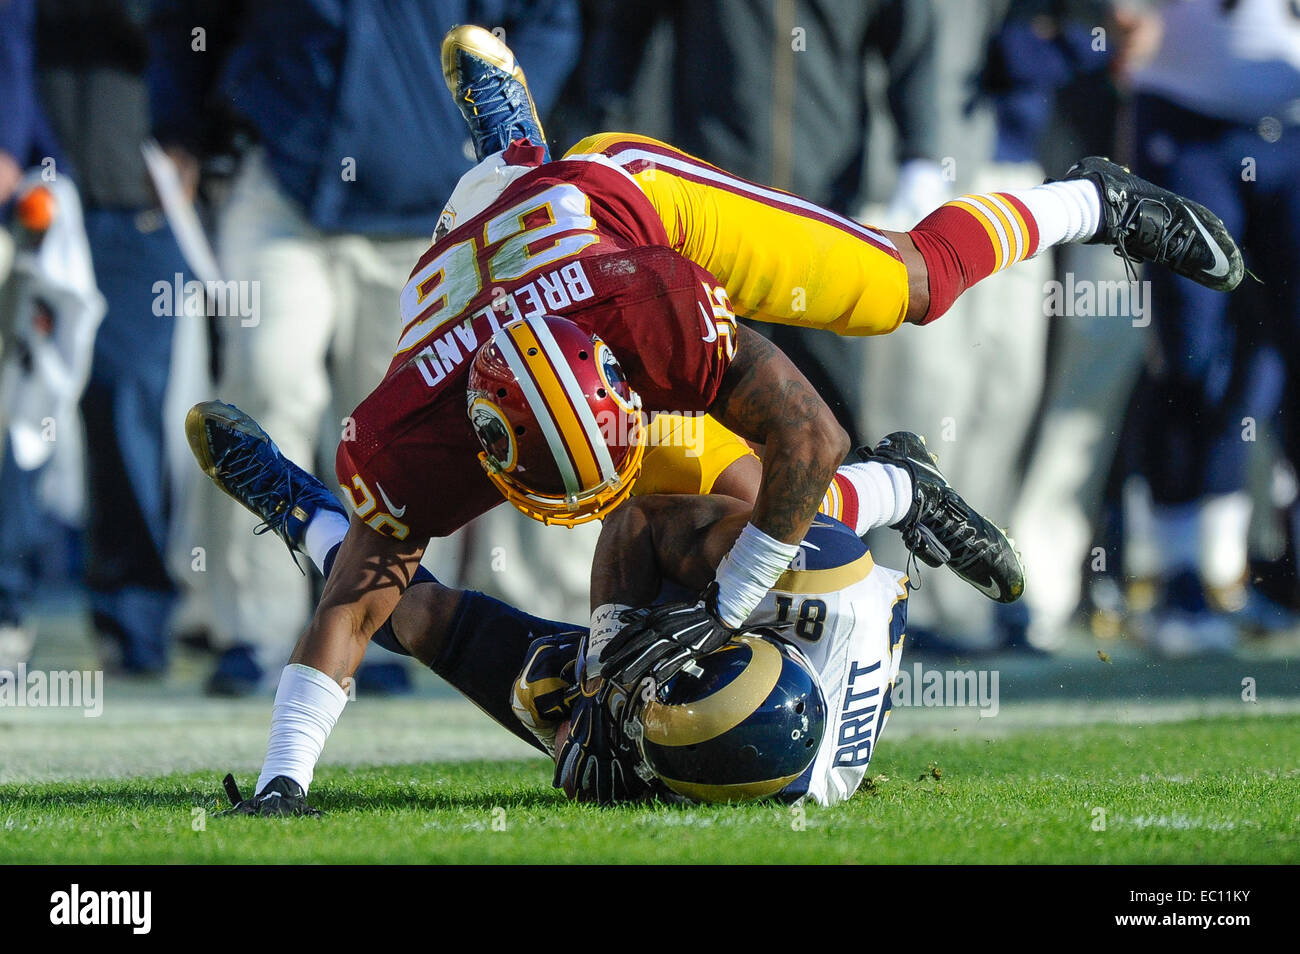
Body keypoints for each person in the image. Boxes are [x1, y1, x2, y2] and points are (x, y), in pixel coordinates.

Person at [192, 24, 1244, 811]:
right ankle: (509, 146)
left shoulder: (646, 305)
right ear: (484, 443)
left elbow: (807, 436)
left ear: (622, 381)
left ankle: (1093, 201)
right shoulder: (408, 431)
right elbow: (360, 600)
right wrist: (287, 778)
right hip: (493, 263)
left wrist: (732, 607)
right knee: (578, 651)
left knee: (903, 289)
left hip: (623, 207)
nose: (601, 509)